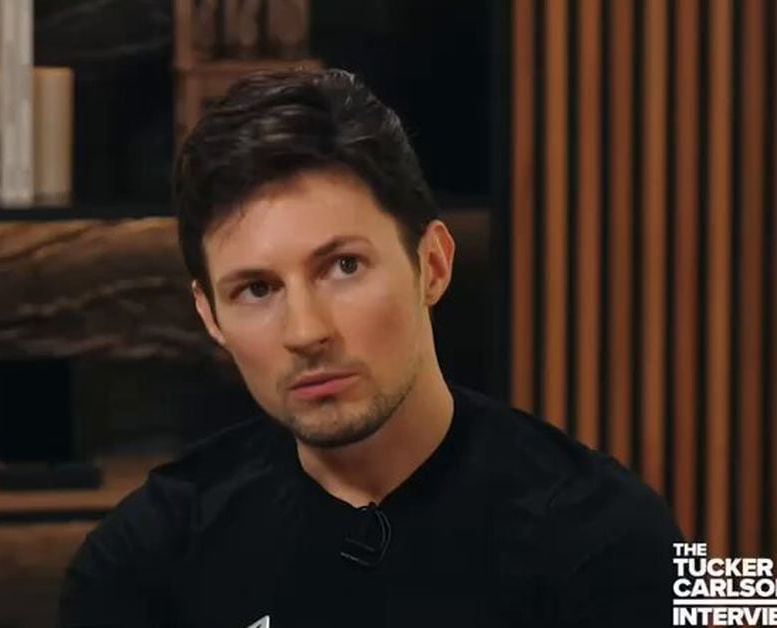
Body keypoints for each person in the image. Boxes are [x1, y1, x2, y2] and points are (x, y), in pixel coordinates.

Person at [58, 68, 682, 628]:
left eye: (344, 266)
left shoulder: (605, 541)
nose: (306, 331)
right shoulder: (143, 561)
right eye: (257, 289)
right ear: (210, 316)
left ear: (432, 265)